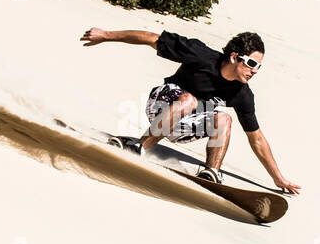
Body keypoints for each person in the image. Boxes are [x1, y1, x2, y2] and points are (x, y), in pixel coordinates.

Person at [78, 27, 301, 194]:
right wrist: (106, 35)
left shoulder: (242, 94)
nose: (255, 71)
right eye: (252, 64)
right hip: (161, 106)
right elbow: (152, 39)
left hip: (182, 128)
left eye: (258, 67)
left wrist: (278, 178)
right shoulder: (201, 55)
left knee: (224, 118)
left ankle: (210, 173)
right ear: (234, 57)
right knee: (189, 99)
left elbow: (257, 139)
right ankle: (139, 146)